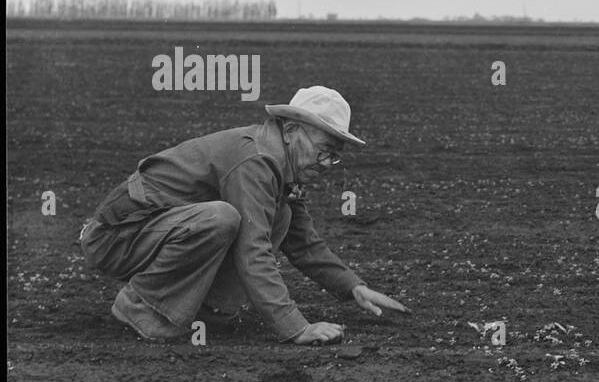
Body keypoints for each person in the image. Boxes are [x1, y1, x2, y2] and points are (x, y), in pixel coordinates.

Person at [80, 85, 410, 343]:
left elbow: (303, 243)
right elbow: (253, 250)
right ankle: (141, 307)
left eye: (334, 158)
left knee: (281, 216)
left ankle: (207, 313)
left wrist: (353, 286)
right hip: (116, 236)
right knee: (221, 219)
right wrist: (296, 328)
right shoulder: (257, 161)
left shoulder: (281, 164)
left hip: (152, 233)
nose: (326, 165)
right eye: (324, 151)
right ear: (292, 129)